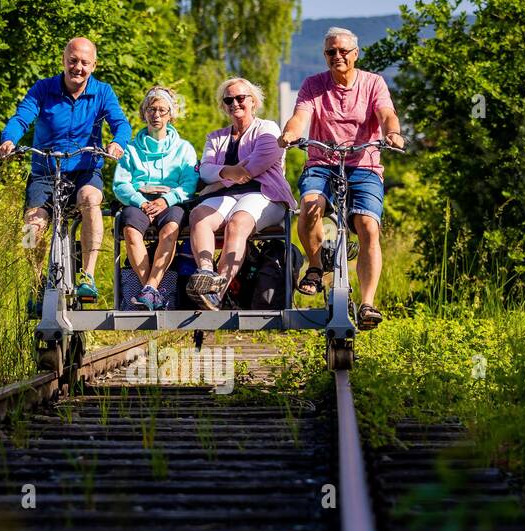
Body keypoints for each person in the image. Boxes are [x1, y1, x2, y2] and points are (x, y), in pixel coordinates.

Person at [279, 27, 405, 330]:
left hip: (364, 164)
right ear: (325, 56)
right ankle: (315, 266)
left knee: (367, 227)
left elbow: (386, 114)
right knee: (309, 208)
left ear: (355, 54)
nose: (337, 56)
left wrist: (393, 133)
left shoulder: (373, 83)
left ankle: (367, 303)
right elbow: (300, 116)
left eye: (343, 51)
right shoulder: (313, 85)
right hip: (322, 161)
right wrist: (291, 132)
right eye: (331, 52)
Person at [0, 37, 130, 306]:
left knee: (91, 200)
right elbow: (21, 117)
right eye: (73, 61)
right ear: (64, 60)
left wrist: (117, 143)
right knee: (32, 226)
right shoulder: (43, 88)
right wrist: (9, 139)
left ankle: (87, 276)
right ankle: (36, 283)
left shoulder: (103, 92)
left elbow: (121, 123)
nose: (77, 67)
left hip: (84, 169)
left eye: (84, 62)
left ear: (94, 65)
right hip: (45, 171)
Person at [186, 78, 294, 310]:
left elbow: (258, 164)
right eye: (228, 99)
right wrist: (230, 171)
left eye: (240, 98)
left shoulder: (268, 129)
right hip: (227, 196)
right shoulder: (215, 136)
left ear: (253, 101)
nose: (234, 103)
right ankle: (206, 274)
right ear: (224, 106)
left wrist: (223, 173)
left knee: (237, 223)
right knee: (199, 216)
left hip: (265, 194)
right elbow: (205, 171)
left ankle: (217, 292)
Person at [111, 86, 198, 311]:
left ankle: (150, 287)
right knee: (130, 230)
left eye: (162, 110)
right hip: (139, 200)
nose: (156, 115)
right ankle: (151, 292)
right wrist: (140, 201)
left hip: (170, 201)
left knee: (170, 229)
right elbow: (120, 184)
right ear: (144, 112)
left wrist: (167, 200)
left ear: (170, 114)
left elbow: (189, 183)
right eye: (151, 109)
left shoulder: (184, 148)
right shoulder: (130, 148)